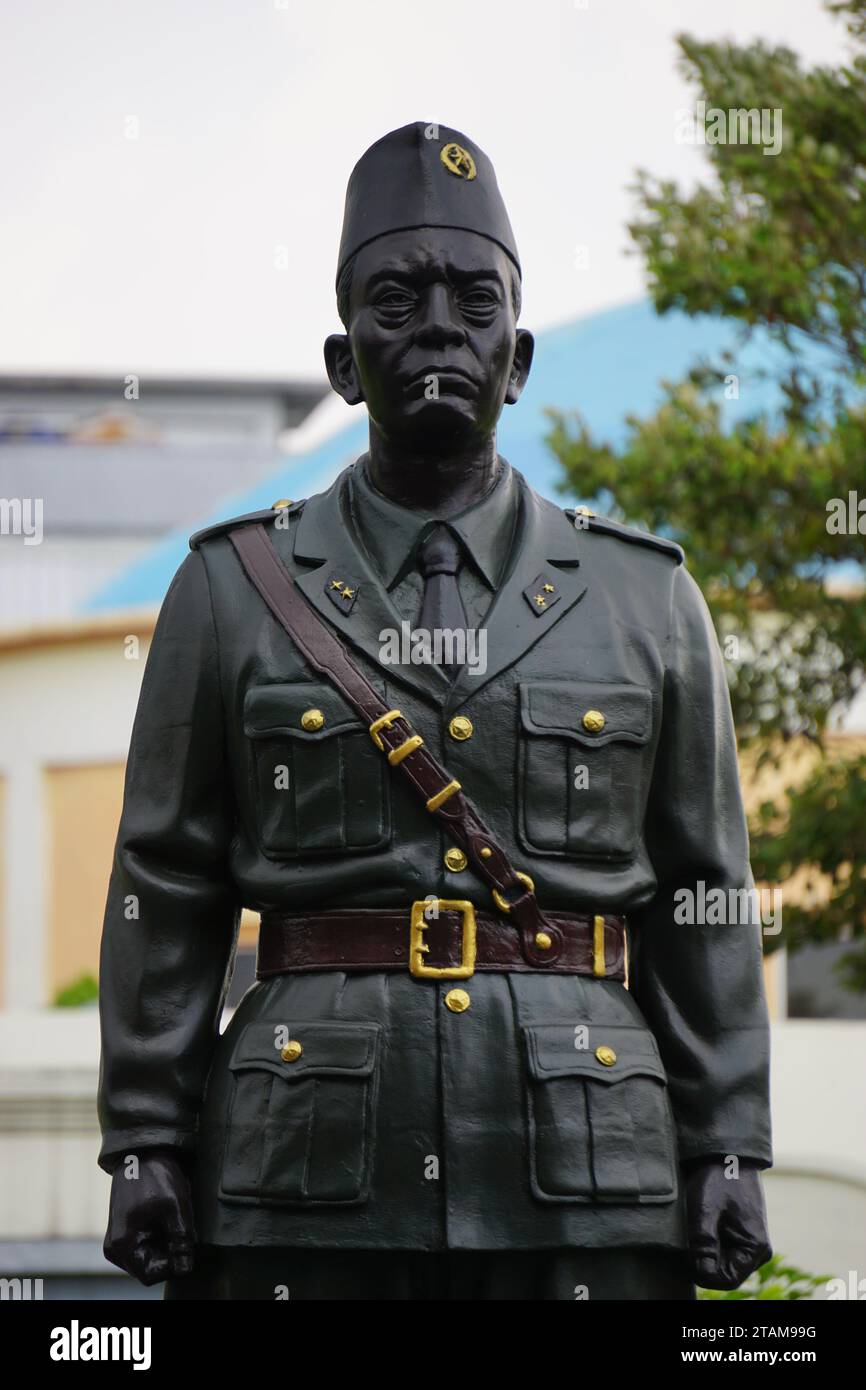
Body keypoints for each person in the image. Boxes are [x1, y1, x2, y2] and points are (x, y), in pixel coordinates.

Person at [98, 123, 772, 1300]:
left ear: (517, 358)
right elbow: (166, 880)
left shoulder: (643, 596)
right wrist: (145, 1137)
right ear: (344, 360)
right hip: (304, 1169)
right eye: (395, 300)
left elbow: (702, 893)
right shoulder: (228, 588)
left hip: (582, 1166)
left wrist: (726, 1143)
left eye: (474, 300)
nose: (438, 330)